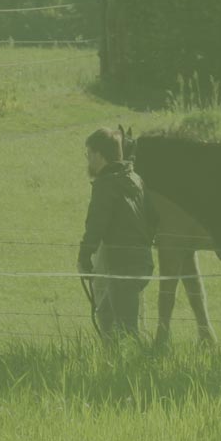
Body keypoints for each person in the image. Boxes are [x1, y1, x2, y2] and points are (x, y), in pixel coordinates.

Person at [78, 127, 155, 340]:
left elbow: (95, 226)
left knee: (128, 330)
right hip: (143, 262)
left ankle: (135, 359)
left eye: (89, 154)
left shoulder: (105, 185)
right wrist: (141, 244)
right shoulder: (135, 179)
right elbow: (153, 218)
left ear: (99, 155)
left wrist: (83, 258)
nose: (88, 160)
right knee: (105, 315)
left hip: (123, 267)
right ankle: (111, 356)